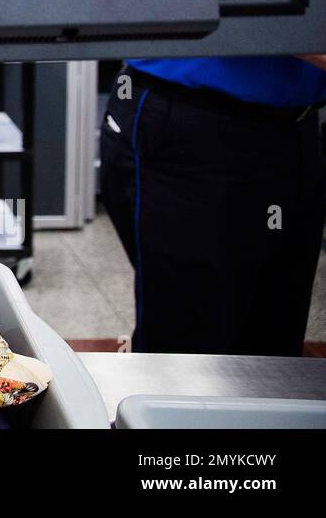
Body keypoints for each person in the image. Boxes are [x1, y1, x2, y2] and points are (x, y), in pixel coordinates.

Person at [100, 55, 326, 355]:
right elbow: (255, 11)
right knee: (192, 351)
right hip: (195, 122)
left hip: (296, 124)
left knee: (275, 343)